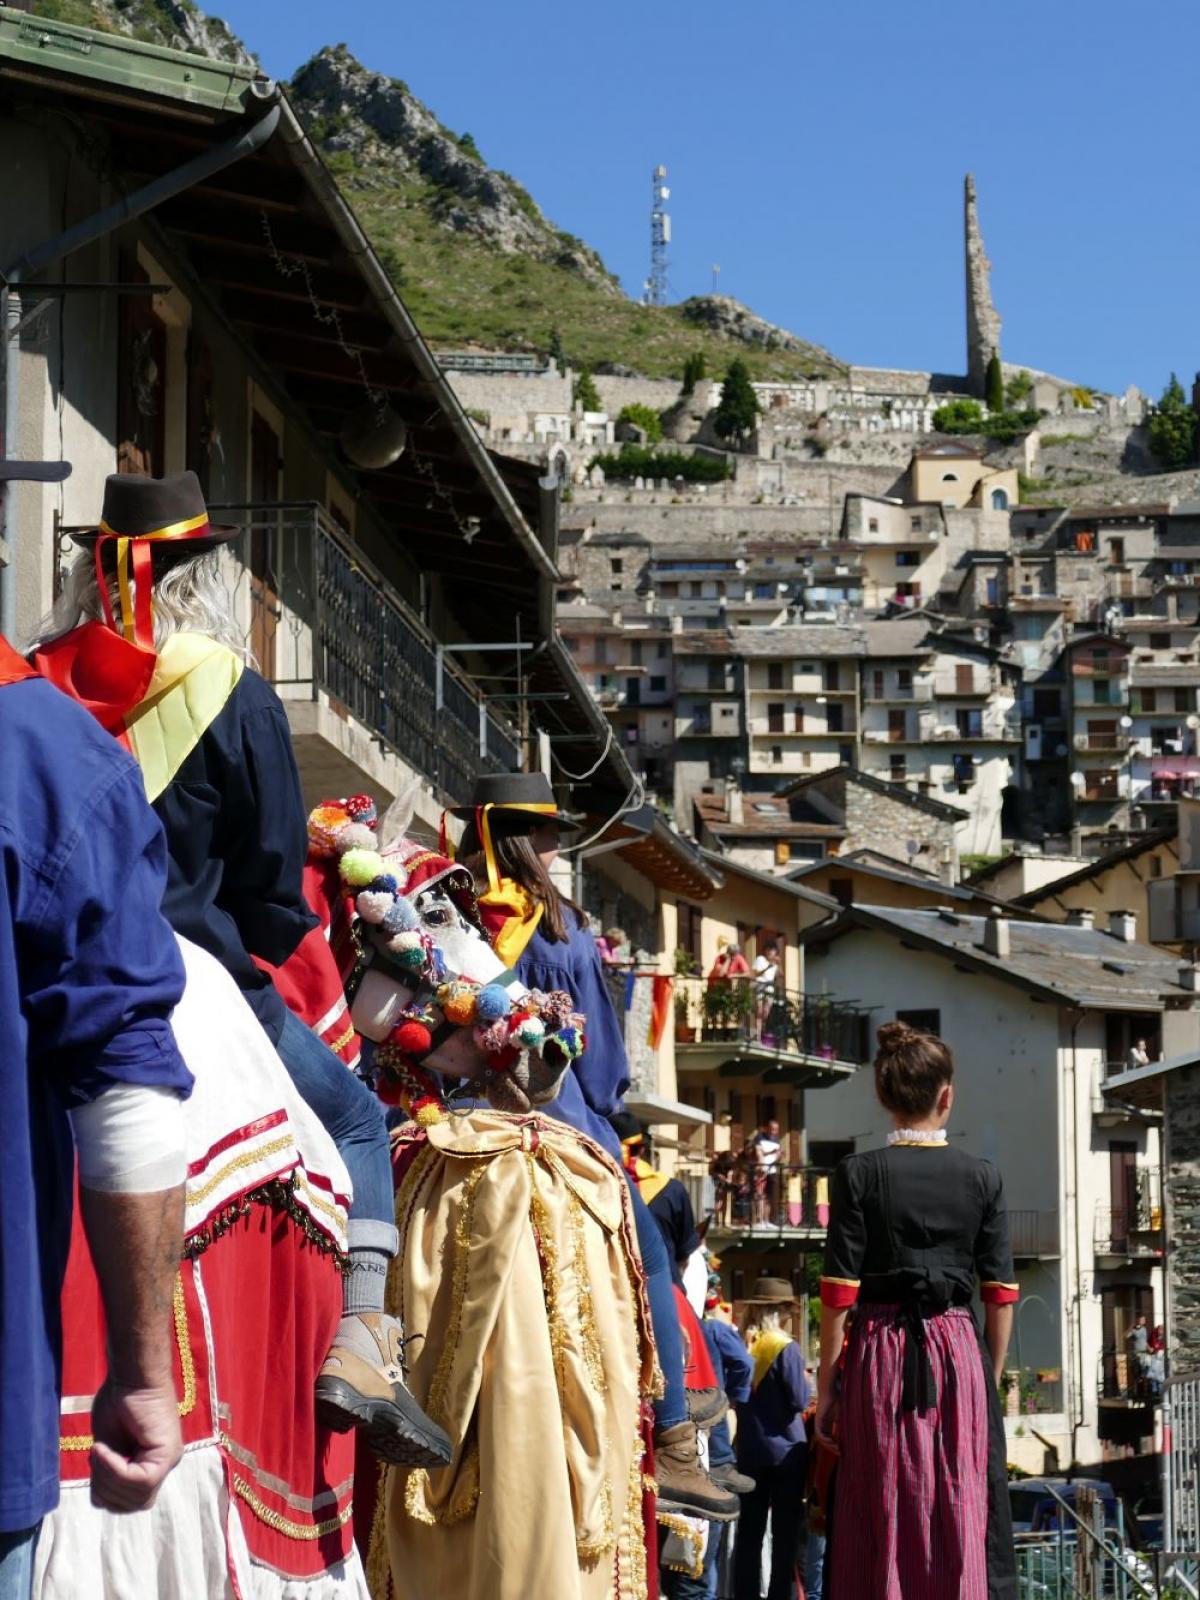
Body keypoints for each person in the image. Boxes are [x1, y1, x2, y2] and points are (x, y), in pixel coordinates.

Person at [30, 470, 448, 1468]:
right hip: (187, 967)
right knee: (352, 1112)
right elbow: (268, 887)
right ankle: (363, 1336)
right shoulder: (232, 689)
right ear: (203, 576)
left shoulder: (39, 681)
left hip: (43, 964)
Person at [1, 491, 196, 1597]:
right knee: (353, 1117)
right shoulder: (51, 744)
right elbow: (126, 1081)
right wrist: (141, 1370)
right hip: (152, 918)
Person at [453, 771, 738, 1520]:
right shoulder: (562, 928)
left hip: (454, 1112)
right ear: (528, 839)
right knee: (649, 1257)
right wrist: (607, 1104)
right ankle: (676, 1435)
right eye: (549, 834)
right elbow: (605, 1066)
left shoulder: (453, 910)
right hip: (565, 1118)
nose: (555, 847)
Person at [814, 1021, 1018, 1600]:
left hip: (879, 1347)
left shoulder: (857, 1175)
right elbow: (1000, 1293)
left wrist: (828, 1386)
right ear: (946, 1096)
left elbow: (837, 1294)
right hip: (957, 1352)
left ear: (882, 1097)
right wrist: (989, 1378)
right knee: (958, 1498)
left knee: (877, 1497)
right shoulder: (984, 1178)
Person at [733, 1277, 813, 1600]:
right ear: (778, 1311)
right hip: (785, 1455)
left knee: (749, 1536)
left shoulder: (741, 1345)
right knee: (784, 1537)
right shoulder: (786, 1348)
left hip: (750, 1451)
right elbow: (800, 1399)